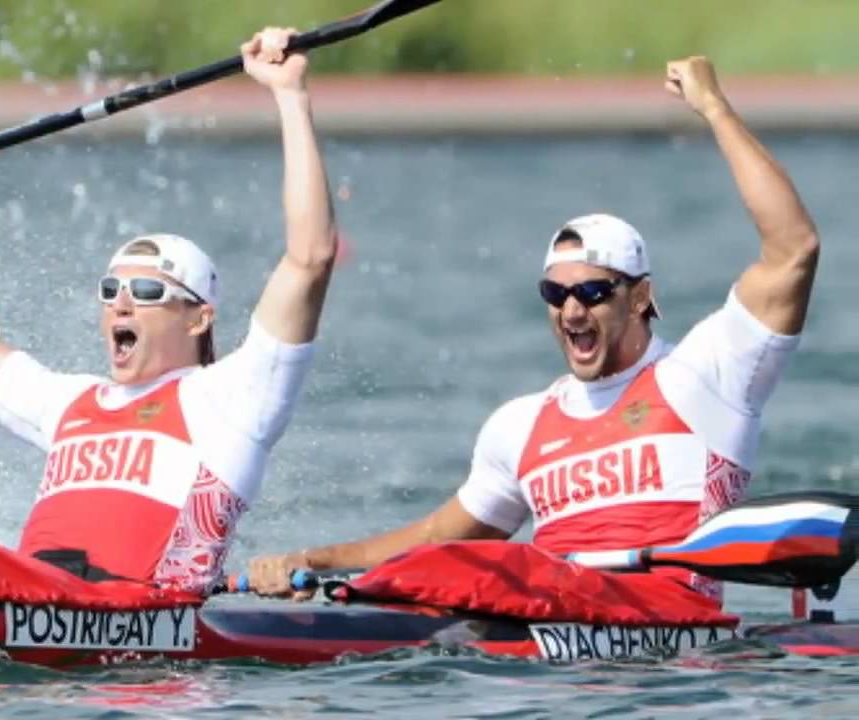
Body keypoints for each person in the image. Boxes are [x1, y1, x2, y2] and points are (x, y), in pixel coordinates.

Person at [247, 56, 820, 601]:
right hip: (548, 648)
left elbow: (793, 249)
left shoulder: (708, 373)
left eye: (594, 293)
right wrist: (315, 562)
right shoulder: (519, 426)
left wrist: (715, 108)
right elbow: (434, 541)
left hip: (669, 632)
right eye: (556, 294)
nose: (572, 312)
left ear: (641, 296)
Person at [0, 28, 338, 594]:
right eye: (111, 291)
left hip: (144, 632)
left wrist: (289, 95)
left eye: (147, 293)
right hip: (33, 610)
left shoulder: (232, 399)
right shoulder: (70, 402)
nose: (121, 303)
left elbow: (310, 258)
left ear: (199, 318)